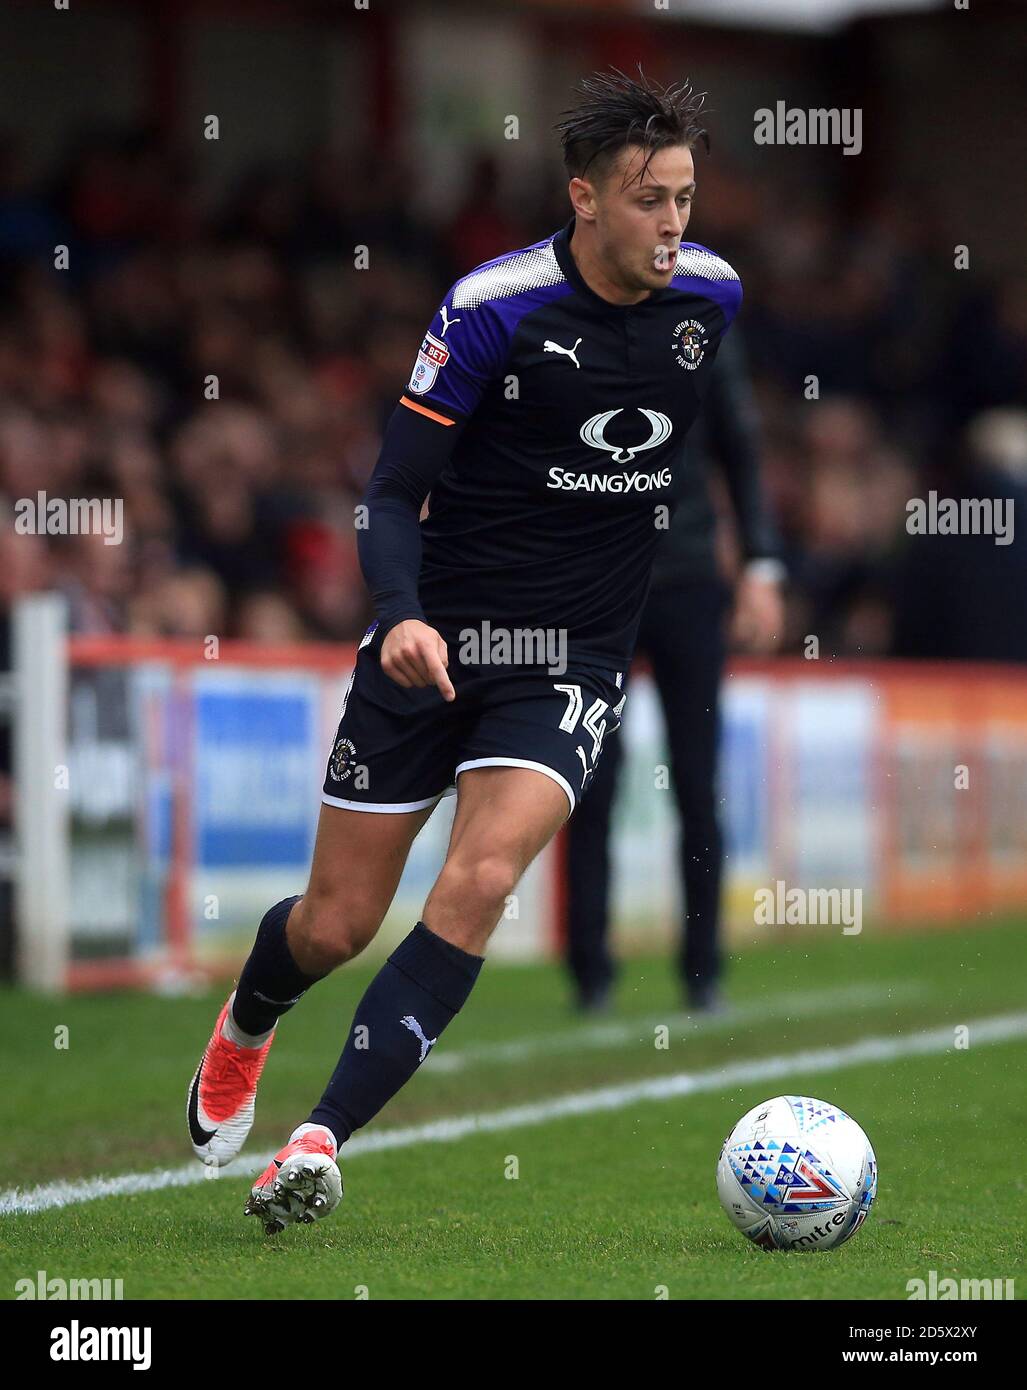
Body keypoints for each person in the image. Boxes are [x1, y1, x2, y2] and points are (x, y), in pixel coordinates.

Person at [185, 68, 745, 1234]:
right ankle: (246, 1019)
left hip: (570, 656)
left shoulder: (713, 300)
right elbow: (389, 494)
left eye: (686, 196)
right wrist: (398, 613)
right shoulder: (494, 305)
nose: (675, 223)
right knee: (336, 923)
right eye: (649, 199)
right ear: (584, 198)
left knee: (483, 878)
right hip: (430, 642)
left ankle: (316, 1139)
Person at [564, 326, 783, 1015]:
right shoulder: (565, 323)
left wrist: (760, 567)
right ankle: (591, 972)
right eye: (652, 206)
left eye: (676, 207)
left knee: (696, 779)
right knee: (587, 773)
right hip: (594, 585)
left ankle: (701, 971)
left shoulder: (703, 325)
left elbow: (739, 452)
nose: (665, 225)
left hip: (687, 581)